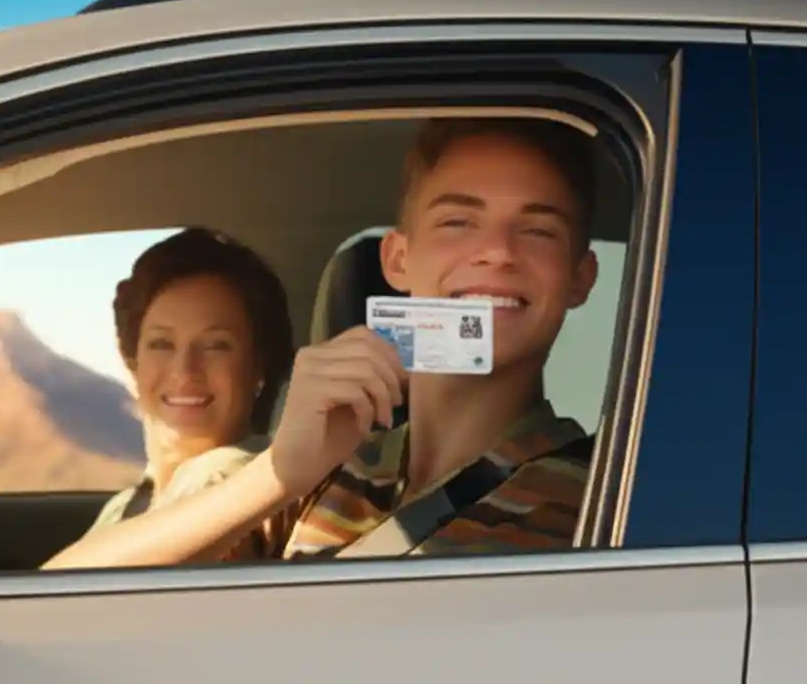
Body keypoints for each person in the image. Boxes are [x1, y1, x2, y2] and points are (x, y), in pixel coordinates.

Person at [41, 117, 600, 569]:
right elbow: (65, 595)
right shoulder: (330, 466)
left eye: (537, 230)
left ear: (580, 278)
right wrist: (279, 471)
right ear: (399, 261)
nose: (498, 251)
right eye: (458, 222)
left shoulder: (604, 497)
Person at [49, 227, 294, 553]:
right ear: (133, 360)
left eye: (216, 345)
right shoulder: (133, 500)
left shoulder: (233, 484)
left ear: (258, 365)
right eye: (161, 344)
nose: (184, 370)